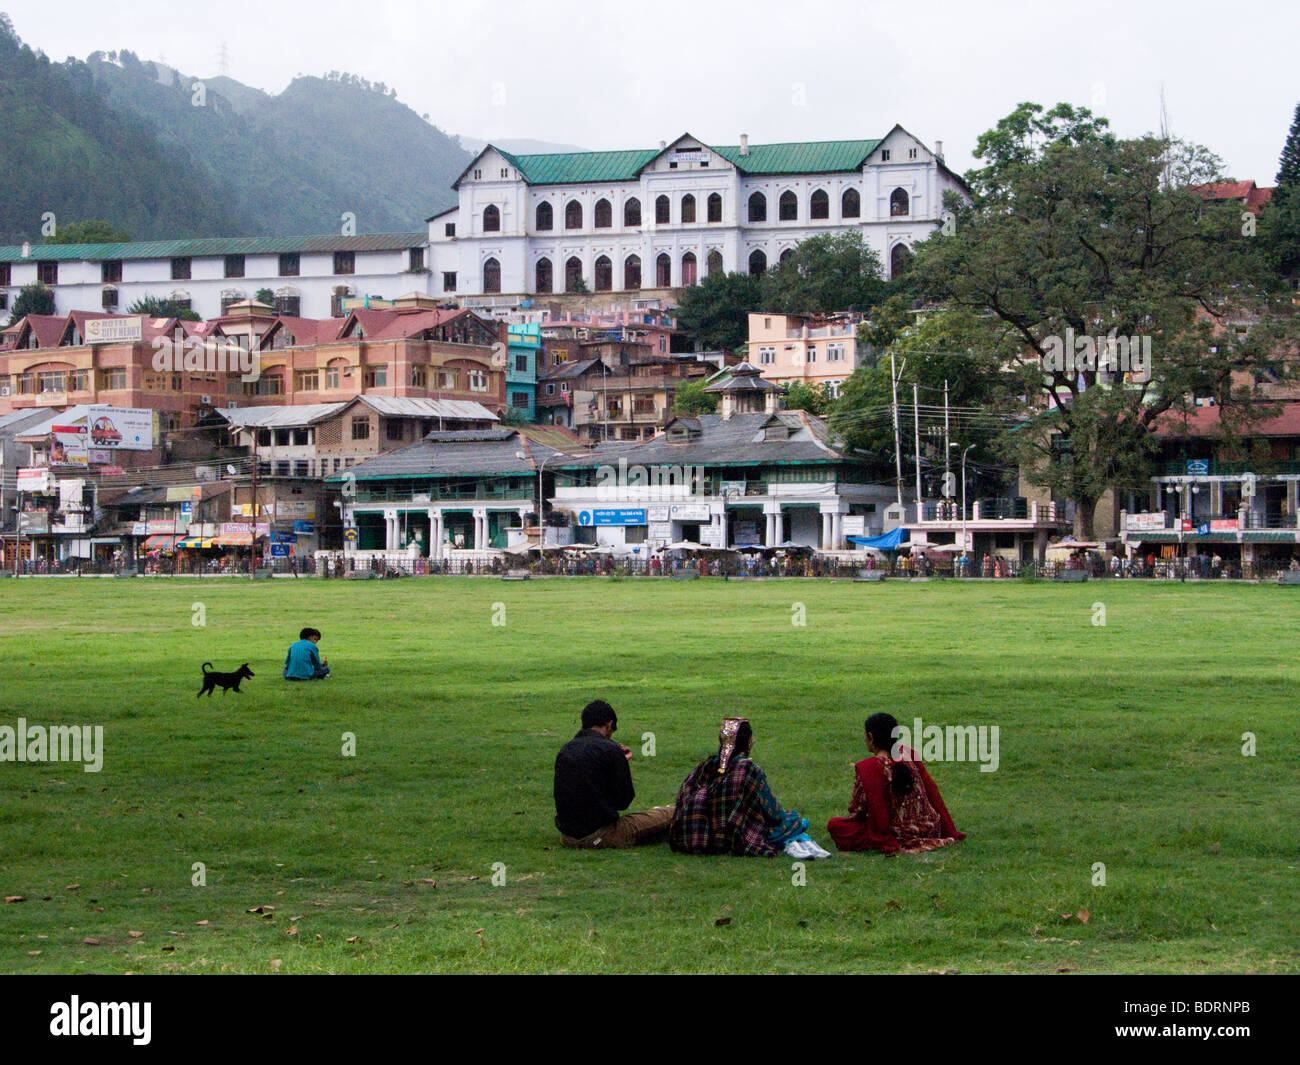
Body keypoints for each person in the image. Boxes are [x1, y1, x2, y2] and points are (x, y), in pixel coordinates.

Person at [827, 712, 964, 854]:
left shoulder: (870, 768)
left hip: (900, 834)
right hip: (931, 827)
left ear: (871, 737)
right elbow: (932, 791)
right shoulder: (908, 754)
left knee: (836, 825)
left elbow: (858, 809)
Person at [669, 718, 806, 857]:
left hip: (693, 836)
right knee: (795, 819)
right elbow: (775, 815)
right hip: (733, 837)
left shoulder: (705, 765)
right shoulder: (749, 769)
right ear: (747, 742)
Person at [553, 700, 672, 848]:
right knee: (670, 813)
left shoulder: (566, 750)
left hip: (567, 837)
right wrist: (619, 765)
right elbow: (623, 801)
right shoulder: (611, 750)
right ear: (609, 725)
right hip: (600, 835)